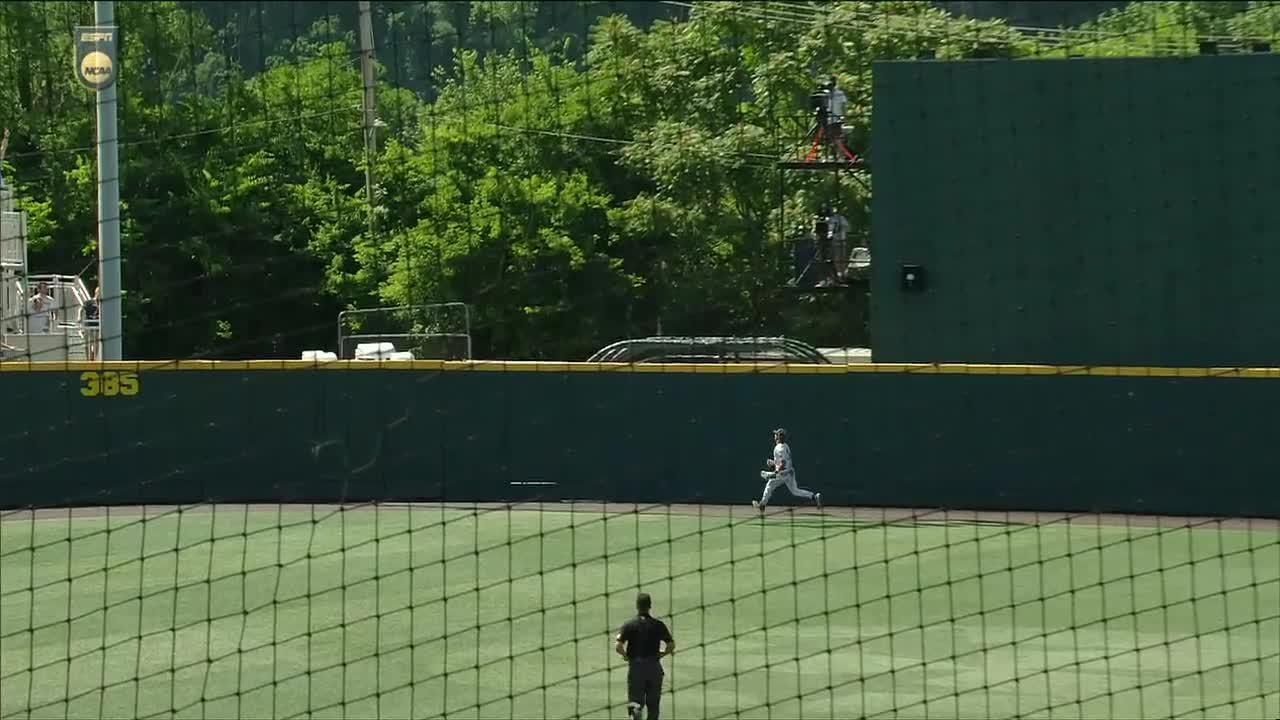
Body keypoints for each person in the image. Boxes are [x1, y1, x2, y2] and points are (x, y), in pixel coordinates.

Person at [615, 592, 674, 720]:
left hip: (636, 668)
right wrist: (662, 654)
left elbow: (618, 646)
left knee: (635, 703)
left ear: (637, 606)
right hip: (654, 668)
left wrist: (626, 656)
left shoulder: (629, 625)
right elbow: (671, 645)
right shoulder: (658, 625)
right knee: (653, 706)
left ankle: (636, 715)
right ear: (650, 606)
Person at [753, 428, 822, 511]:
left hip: (782, 473)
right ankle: (814, 496)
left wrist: (775, 472)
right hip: (790, 472)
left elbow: (783, 463)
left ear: (778, 437)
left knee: (770, 484)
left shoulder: (779, 448)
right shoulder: (785, 446)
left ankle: (762, 504)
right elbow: (784, 461)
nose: (774, 436)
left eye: (776, 434)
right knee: (795, 491)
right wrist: (774, 463)